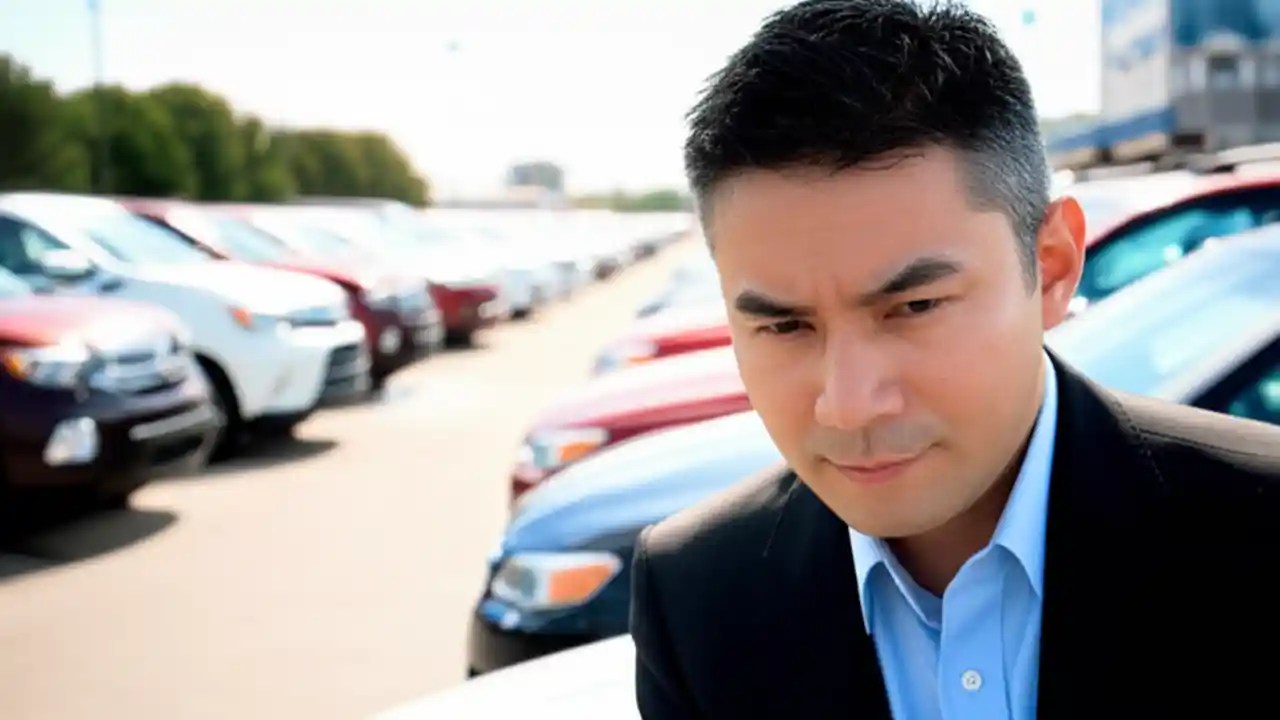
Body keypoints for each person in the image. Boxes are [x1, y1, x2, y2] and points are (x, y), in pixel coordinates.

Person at [628, 1, 1280, 718]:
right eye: (785, 326)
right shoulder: (697, 593)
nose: (849, 404)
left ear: (1054, 267)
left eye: (914, 308)